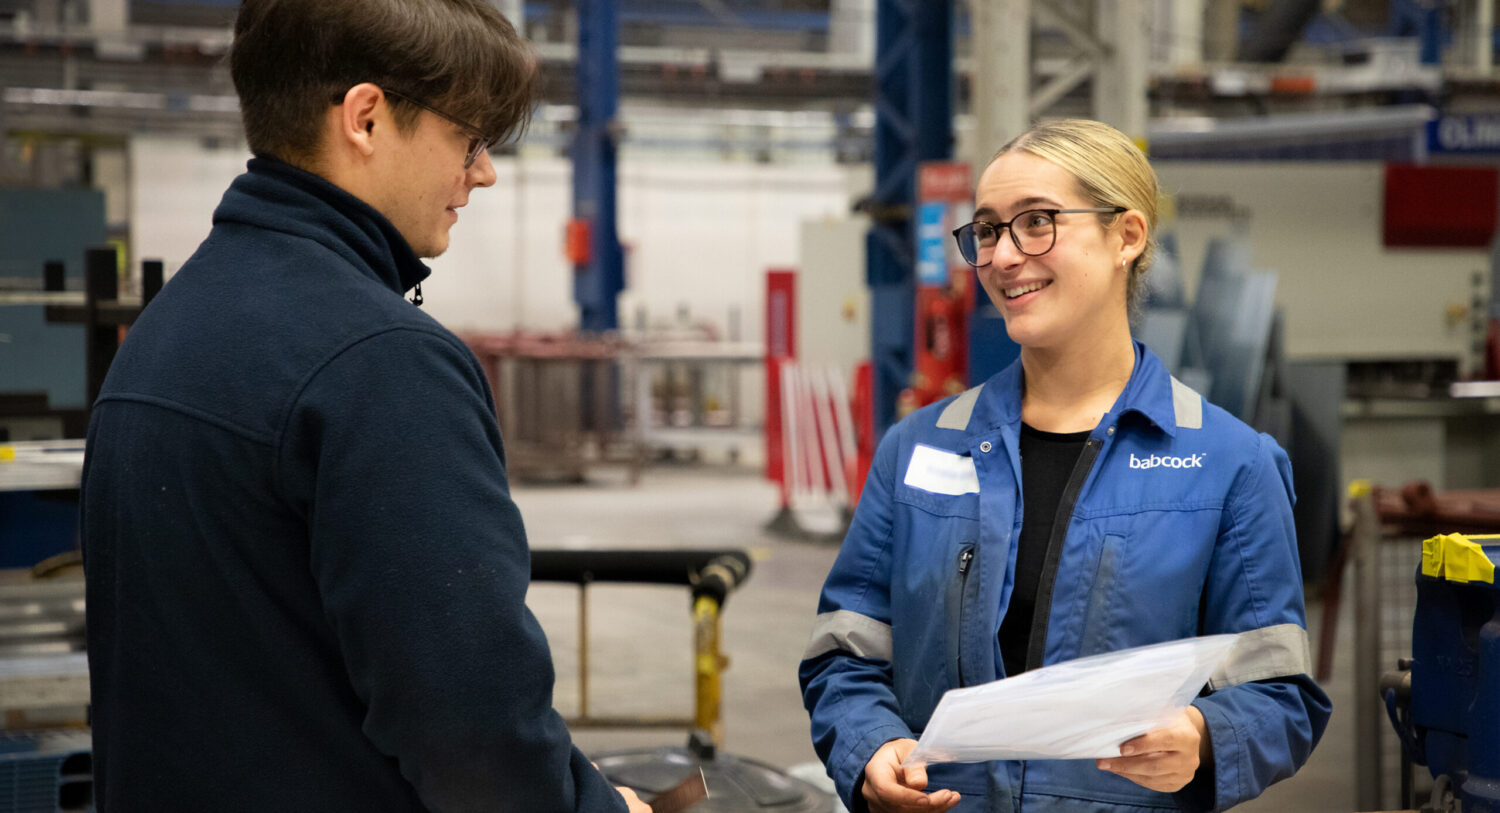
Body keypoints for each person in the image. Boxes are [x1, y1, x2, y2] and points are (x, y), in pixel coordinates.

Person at [80, 1, 647, 811]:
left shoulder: (167, 328)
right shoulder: (382, 364)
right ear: (367, 118)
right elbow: (475, 739)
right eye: (469, 140)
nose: (483, 172)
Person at [799, 119, 1331, 813]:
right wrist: (872, 745)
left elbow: (1281, 695)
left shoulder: (1231, 463)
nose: (1003, 256)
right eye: (987, 230)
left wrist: (1204, 734)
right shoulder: (919, 448)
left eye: (1036, 222)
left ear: (1126, 237)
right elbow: (844, 652)